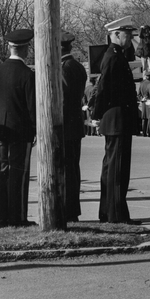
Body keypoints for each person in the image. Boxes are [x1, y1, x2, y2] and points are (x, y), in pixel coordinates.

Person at [92, 17, 142, 225]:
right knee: (117, 168)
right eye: (127, 34)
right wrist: (97, 114)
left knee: (113, 168)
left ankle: (110, 212)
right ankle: (116, 214)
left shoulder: (116, 55)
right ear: (115, 35)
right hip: (116, 118)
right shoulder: (113, 57)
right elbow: (104, 89)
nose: (130, 38)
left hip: (118, 118)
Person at [0, 29, 38, 228]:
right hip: (20, 131)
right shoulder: (28, 74)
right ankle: (18, 216)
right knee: (19, 172)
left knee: (1, 171)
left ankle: (3, 215)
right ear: (26, 48)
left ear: (9, 47)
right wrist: (34, 131)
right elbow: (32, 107)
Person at [60, 31, 88, 222]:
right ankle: (72, 209)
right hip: (75, 124)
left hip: (64, 126)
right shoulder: (77, 66)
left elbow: (61, 100)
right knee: (73, 169)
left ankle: (67, 210)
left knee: (65, 169)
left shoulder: (63, 68)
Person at [138, 69, 150, 137]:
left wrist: (142, 99)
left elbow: (139, 94)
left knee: (144, 118)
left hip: (144, 103)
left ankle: (144, 132)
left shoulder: (142, 83)